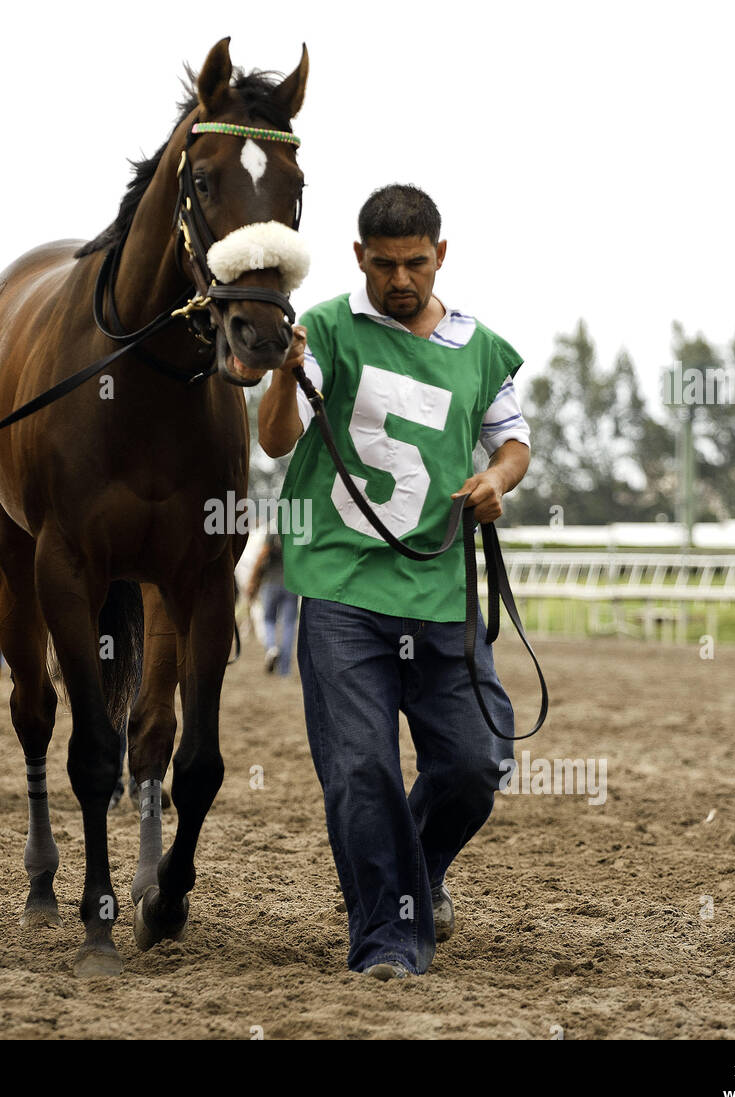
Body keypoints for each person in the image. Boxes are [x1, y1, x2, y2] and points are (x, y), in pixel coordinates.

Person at [256, 184, 531, 980]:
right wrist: (282, 376)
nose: (400, 278)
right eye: (384, 264)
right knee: (361, 768)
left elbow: (512, 441)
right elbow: (275, 442)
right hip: (342, 590)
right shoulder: (329, 331)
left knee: (478, 760)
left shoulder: (480, 348)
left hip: (441, 592)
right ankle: (387, 940)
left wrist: (497, 481)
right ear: (358, 258)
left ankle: (416, 871)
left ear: (440, 254)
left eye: (415, 263)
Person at [246, 530, 299, 675]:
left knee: (269, 619)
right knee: (289, 625)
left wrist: (253, 581)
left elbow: (263, 555)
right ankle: (285, 670)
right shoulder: (296, 532)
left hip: (270, 583)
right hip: (291, 584)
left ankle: (271, 647)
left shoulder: (273, 533)